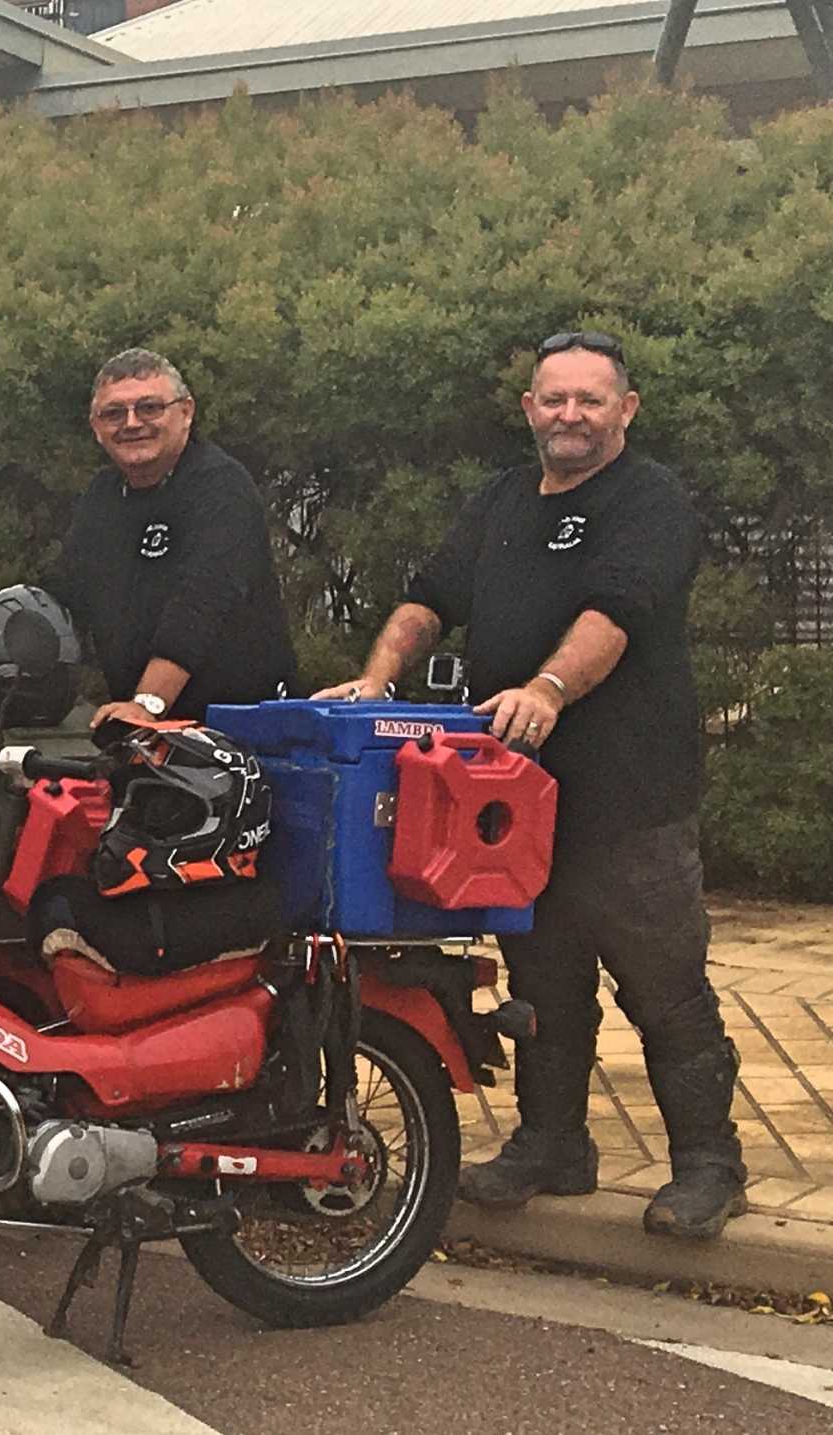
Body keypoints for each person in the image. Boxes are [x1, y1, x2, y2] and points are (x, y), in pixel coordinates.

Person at [317, 330, 742, 1239]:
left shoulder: (652, 502)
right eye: (554, 399)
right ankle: (554, 1145)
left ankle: (711, 1165)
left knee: (663, 987)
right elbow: (428, 595)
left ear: (625, 409)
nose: (570, 416)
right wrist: (378, 676)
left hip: (629, 800)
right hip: (507, 806)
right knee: (543, 981)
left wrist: (549, 687)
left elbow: (617, 609)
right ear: (529, 410)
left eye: (590, 400)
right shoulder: (502, 501)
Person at [49, 348, 294, 725]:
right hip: (143, 732)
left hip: (240, 732)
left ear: (186, 412)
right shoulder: (103, 495)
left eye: (149, 408)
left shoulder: (222, 486)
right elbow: (63, 596)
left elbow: (201, 602)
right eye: (114, 413)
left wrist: (147, 704)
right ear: (96, 428)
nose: (131, 423)